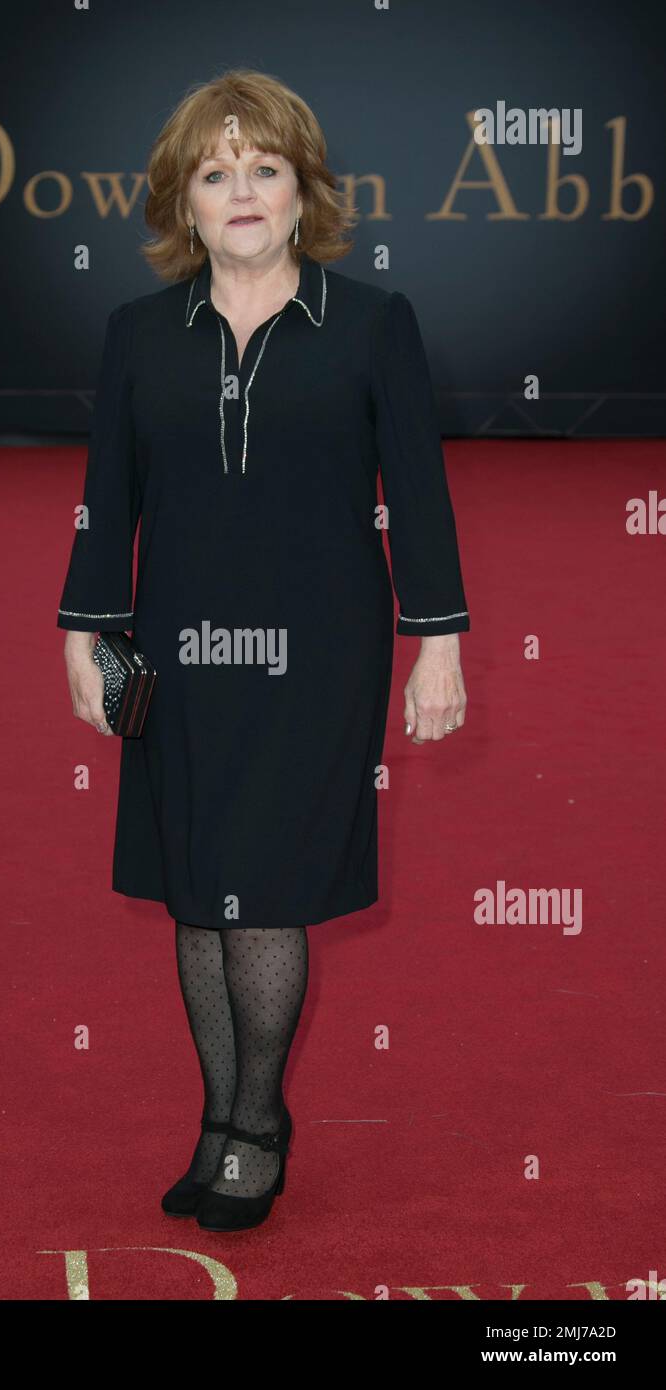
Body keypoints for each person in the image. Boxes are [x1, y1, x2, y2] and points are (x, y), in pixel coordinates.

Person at [57, 69, 470, 1233]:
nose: (241, 190)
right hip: (178, 649)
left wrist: (435, 645)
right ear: (181, 204)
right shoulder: (135, 335)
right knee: (198, 893)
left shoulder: (375, 324)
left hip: (318, 655)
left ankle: (256, 1125)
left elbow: (421, 501)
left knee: (267, 892)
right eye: (214, 172)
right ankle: (220, 1117)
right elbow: (104, 500)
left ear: (304, 193)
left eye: (265, 169)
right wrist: (83, 632)